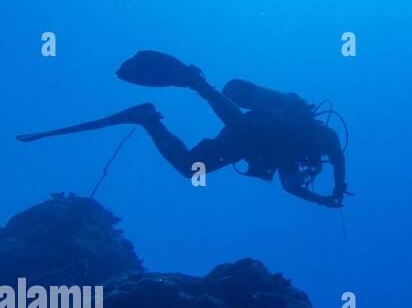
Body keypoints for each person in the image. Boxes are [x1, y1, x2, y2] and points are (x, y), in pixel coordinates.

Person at [16, 51, 348, 208]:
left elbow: (291, 187)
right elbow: (337, 156)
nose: (313, 163)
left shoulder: (292, 159)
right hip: (263, 125)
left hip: (247, 144)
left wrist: (323, 200)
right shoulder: (322, 135)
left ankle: (147, 118)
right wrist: (337, 187)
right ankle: (197, 82)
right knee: (240, 125)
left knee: (190, 169)